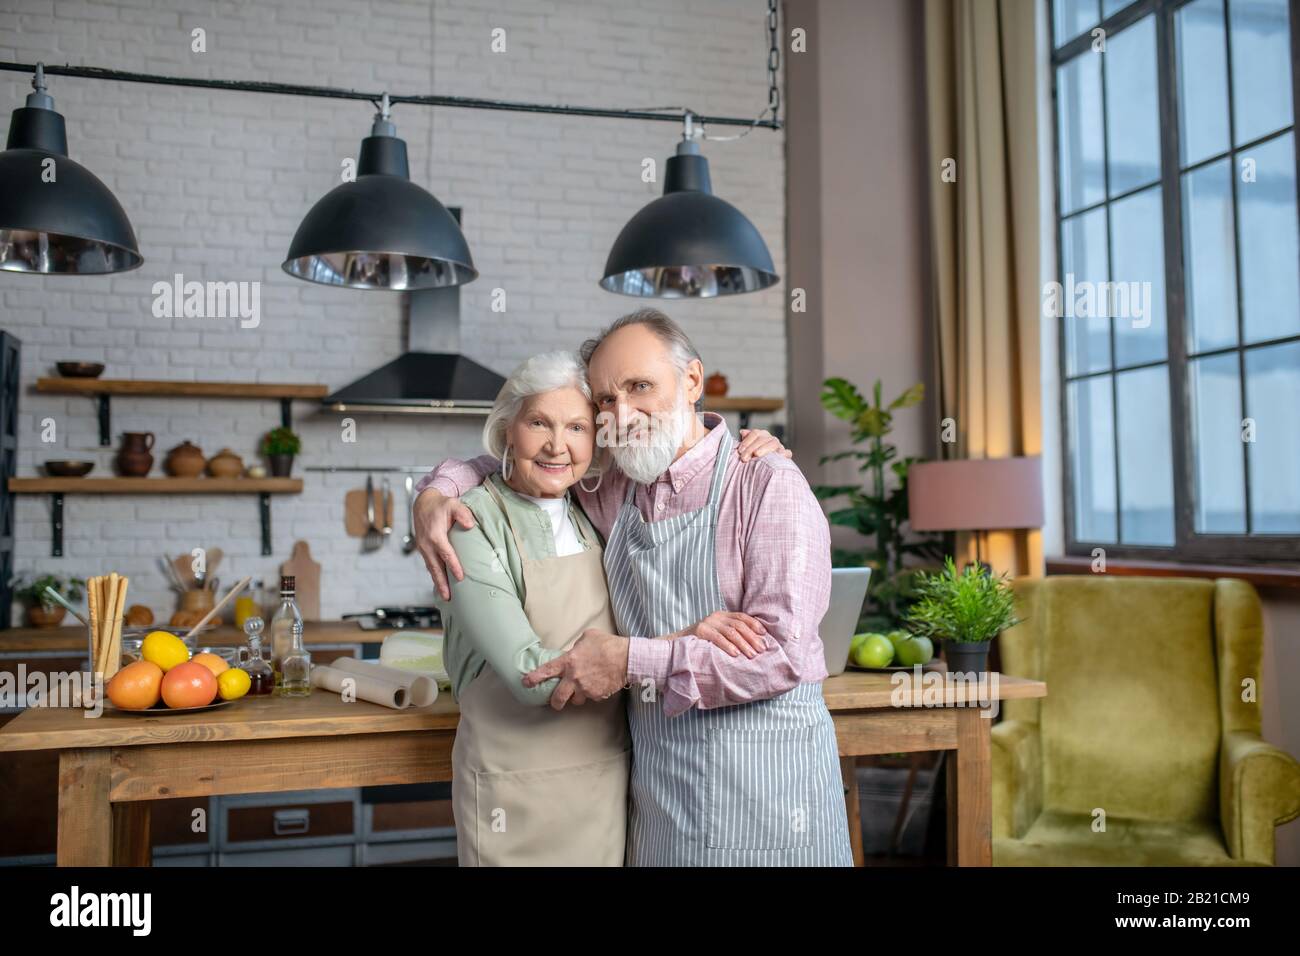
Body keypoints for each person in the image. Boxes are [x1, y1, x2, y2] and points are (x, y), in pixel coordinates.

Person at [416, 309, 854, 867]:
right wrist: (435, 491)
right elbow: (520, 461)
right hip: (656, 810)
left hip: (764, 801)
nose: (621, 413)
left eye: (640, 386)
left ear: (692, 380)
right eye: (604, 399)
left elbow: (783, 655)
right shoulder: (615, 485)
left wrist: (630, 660)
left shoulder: (766, 484)